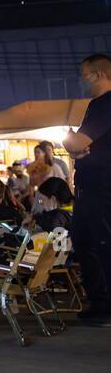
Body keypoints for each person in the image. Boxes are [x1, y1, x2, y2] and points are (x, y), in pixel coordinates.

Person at [64, 53, 111, 322]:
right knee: (84, 242)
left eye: (85, 75)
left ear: (100, 74)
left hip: (101, 187)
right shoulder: (98, 105)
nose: (82, 81)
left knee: (101, 245)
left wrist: (71, 143)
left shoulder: (105, 104)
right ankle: (99, 302)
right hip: (91, 187)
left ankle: (105, 306)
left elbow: (77, 144)